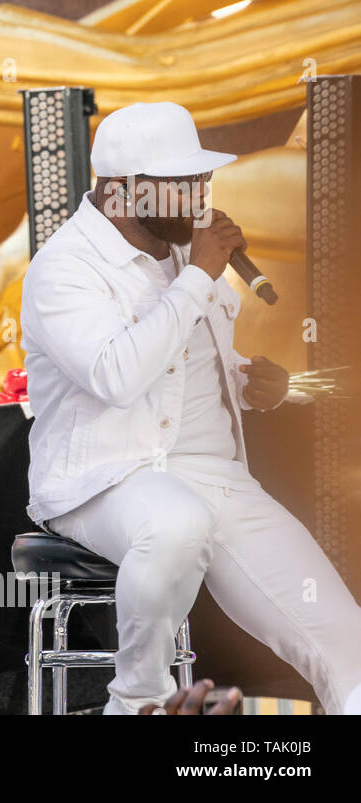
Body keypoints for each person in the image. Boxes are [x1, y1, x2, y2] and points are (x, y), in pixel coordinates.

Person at [21, 101, 361, 715]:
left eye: (202, 180)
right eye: (182, 185)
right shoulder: (62, 269)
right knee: (173, 522)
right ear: (122, 193)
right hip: (110, 475)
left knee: (345, 639)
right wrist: (200, 276)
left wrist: (252, 382)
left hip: (216, 478)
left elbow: (183, 366)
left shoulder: (184, 258)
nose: (201, 197)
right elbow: (117, 375)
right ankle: (138, 700)